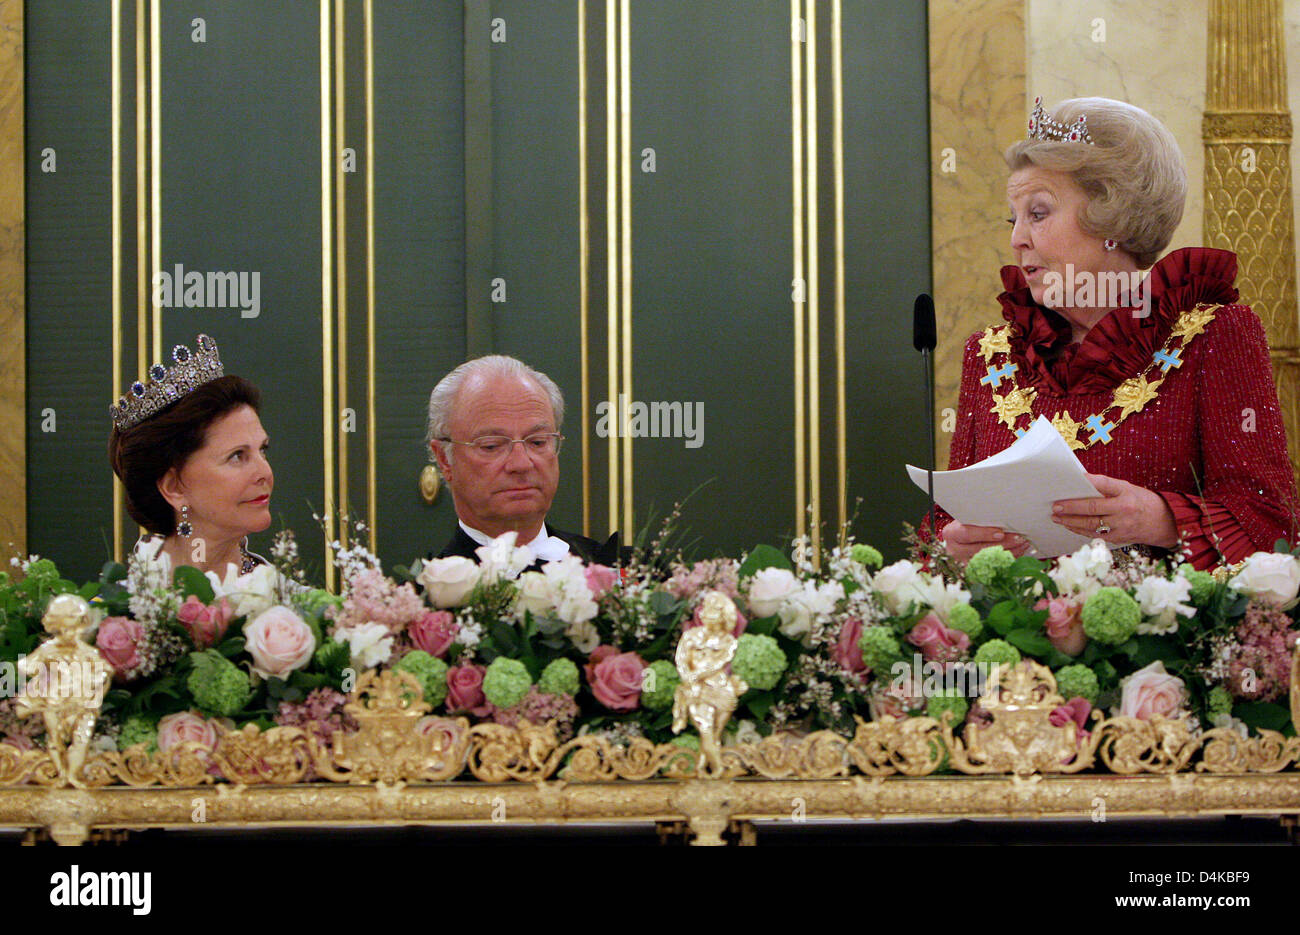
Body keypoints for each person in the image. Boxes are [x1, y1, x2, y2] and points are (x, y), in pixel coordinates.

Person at [934, 97, 1298, 570]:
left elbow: (1271, 526)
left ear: (1113, 218)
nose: (1016, 238)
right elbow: (938, 531)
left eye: (1038, 213)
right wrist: (953, 549)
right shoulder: (991, 356)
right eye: (1013, 218)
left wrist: (1161, 518)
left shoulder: (1213, 337)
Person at [427, 354, 623, 567]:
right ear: (444, 459)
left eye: (537, 442)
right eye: (491, 446)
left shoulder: (618, 571)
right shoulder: (425, 588)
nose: (521, 464)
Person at [108, 334, 274, 578]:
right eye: (237, 456)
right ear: (174, 487)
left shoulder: (294, 601)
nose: (265, 473)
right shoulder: (120, 602)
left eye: (262, 450)